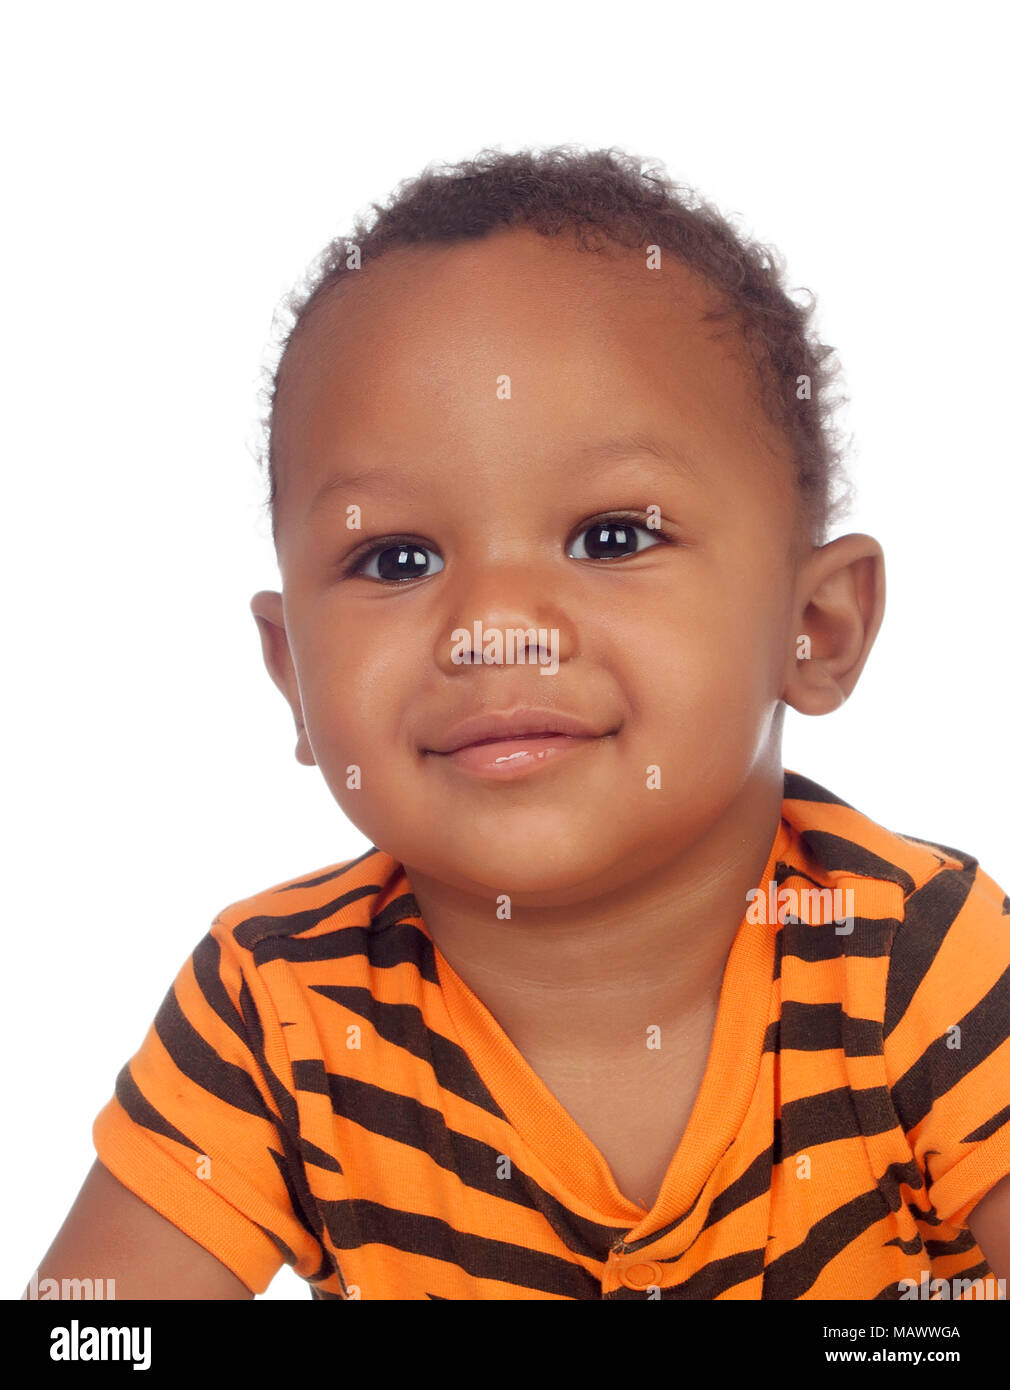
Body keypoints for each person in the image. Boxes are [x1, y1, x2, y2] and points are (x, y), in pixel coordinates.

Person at [25, 146, 1010, 1300]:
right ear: (292, 675)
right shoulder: (276, 1006)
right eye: (396, 557)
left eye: (609, 537)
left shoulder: (911, 954)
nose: (492, 625)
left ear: (814, 627)